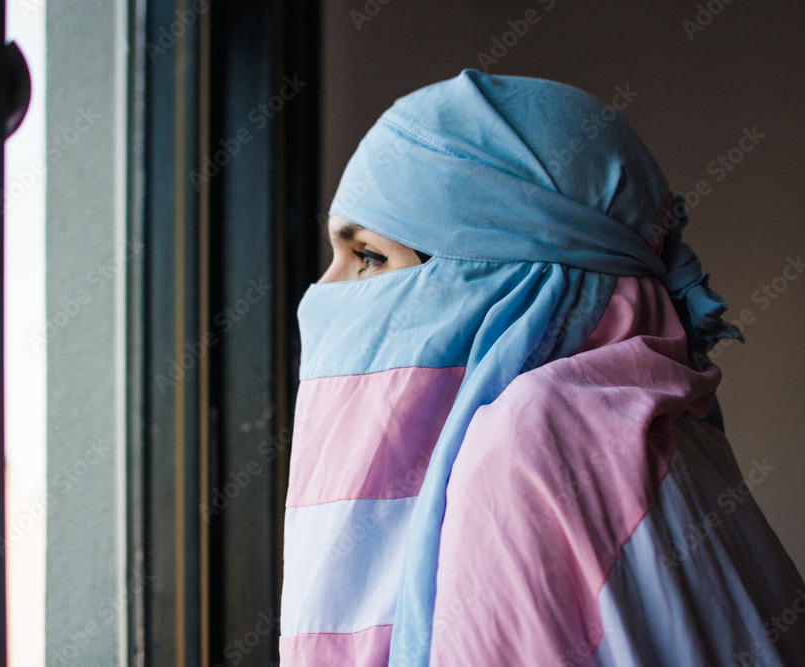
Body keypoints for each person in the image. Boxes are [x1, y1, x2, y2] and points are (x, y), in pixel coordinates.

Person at [280, 70, 805, 666]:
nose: (318, 297)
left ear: (518, 278)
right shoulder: (661, 421)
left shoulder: (533, 443)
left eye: (368, 255)